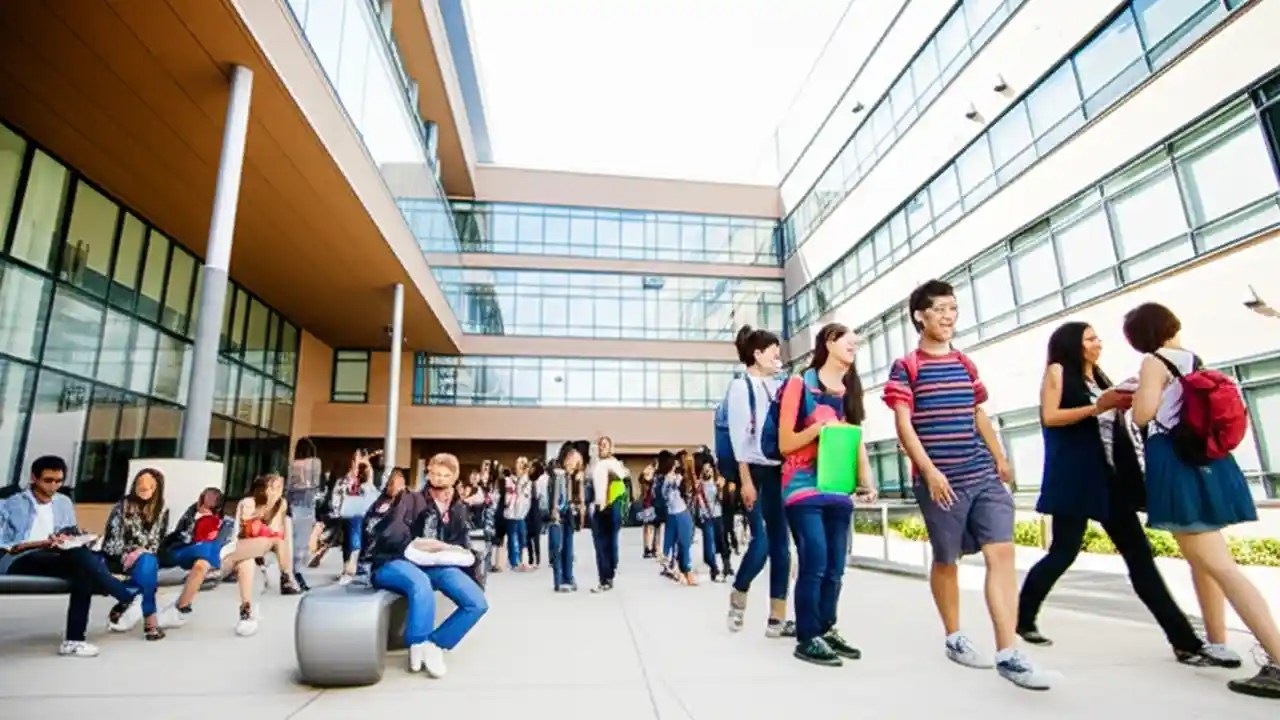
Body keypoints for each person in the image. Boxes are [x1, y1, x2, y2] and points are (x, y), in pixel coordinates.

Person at [1017, 322, 1222, 666]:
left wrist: (1121, 403)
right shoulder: (1057, 371)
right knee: (1063, 553)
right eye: (1090, 338)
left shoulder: (1100, 378)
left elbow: (1111, 426)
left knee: (1141, 560)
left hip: (1111, 482)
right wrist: (1100, 406)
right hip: (1076, 480)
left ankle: (1185, 642)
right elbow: (1051, 417)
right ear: (1073, 344)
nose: (1098, 343)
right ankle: (1023, 618)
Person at [882, 279, 1051, 690]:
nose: (948, 316)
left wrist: (999, 457)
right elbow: (904, 425)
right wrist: (929, 470)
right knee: (946, 559)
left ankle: (1008, 651)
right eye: (940, 309)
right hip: (940, 480)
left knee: (1002, 554)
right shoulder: (907, 366)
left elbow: (977, 412)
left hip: (982, 473)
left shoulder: (964, 363)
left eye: (953, 309)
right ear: (920, 315)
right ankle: (954, 636)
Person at [1124, 302, 1280, 699]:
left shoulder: (1154, 361)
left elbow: (1142, 416)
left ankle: (1278, 660)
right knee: (1202, 559)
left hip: (1176, 465)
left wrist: (1138, 391)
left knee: (1219, 565)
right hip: (1205, 463)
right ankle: (1217, 642)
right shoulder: (1194, 359)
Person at [775, 323, 878, 666]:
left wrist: (867, 481)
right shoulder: (798, 384)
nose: (854, 345)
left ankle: (826, 628)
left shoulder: (848, 391)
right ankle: (807, 636)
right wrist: (821, 427)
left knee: (835, 567)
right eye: (849, 340)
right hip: (801, 487)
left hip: (837, 489)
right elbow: (785, 442)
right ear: (829, 342)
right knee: (815, 561)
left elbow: (855, 439)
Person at [0, 456, 139, 657]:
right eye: (48, 480)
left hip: (57, 555)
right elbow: (5, 544)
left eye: (58, 481)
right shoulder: (11, 504)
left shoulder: (63, 502)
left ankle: (74, 641)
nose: (54, 486)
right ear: (34, 478)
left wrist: (79, 537)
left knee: (81, 568)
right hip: (21, 558)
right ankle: (127, 597)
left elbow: (69, 533)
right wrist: (42, 543)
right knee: (81, 562)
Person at [361, 459, 488, 679]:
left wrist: (455, 556)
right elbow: (391, 534)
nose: (439, 479)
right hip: (395, 559)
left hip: (436, 563)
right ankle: (417, 643)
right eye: (435, 474)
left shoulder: (458, 508)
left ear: (455, 478)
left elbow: (462, 544)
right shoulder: (410, 499)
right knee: (420, 582)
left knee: (476, 602)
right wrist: (418, 546)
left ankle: (436, 643)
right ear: (428, 475)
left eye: (445, 475)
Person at [725, 324, 794, 638]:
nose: (777, 355)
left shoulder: (781, 384)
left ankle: (776, 617)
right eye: (772, 350)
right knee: (763, 541)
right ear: (757, 353)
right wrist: (745, 482)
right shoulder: (741, 387)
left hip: (782, 468)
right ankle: (739, 595)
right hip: (755, 470)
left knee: (782, 545)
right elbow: (739, 437)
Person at [222, 473, 298, 636]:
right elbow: (246, 533)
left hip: (255, 549)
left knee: (247, 563)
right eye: (273, 487)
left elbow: (277, 529)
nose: (277, 491)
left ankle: (246, 611)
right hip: (235, 547)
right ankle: (286, 578)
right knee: (276, 541)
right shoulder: (249, 502)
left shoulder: (281, 504)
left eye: (280, 488)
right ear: (263, 488)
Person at [101, 468, 171, 641]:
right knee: (148, 565)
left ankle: (131, 597)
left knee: (148, 562)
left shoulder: (162, 509)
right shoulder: (123, 506)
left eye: (150, 485)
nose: (144, 488)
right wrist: (136, 549)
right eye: (140, 484)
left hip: (146, 558)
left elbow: (156, 540)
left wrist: (142, 550)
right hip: (119, 557)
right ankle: (150, 621)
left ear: (157, 488)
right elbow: (113, 541)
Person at [159, 487, 227, 626]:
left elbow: (218, 539)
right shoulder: (191, 513)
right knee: (205, 552)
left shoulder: (221, 521)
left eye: (212, 498)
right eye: (205, 497)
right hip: (182, 549)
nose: (207, 501)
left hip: (203, 553)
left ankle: (182, 607)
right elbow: (181, 536)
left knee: (203, 560)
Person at [590, 436, 628, 592]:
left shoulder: (614, 463)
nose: (601, 448)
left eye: (604, 445)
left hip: (612, 506)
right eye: (600, 445)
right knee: (600, 544)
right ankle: (603, 578)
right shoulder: (596, 465)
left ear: (611, 448)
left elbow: (622, 476)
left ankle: (610, 571)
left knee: (610, 542)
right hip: (599, 506)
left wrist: (612, 471)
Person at [336, 450, 378, 585]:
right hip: (346, 512)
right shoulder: (346, 476)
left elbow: (370, 489)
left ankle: (353, 564)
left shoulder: (367, 473)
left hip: (361, 513)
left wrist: (366, 467)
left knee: (356, 524)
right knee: (351, 528)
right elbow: (340, 492)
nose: (358, 462)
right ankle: (349, 565)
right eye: (356, 459)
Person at [287, 437, 322, 591]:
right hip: (308, 503)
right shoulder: (315, 463)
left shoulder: (292, 465)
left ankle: (291, 573)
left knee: (293, 542)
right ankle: (296, 573)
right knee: (302, 543)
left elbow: (289, 487)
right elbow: (316, 483)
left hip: (294, 503)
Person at [548, 447, 584, 592]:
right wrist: (554, 511)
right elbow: (556, 496)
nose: (574, 464)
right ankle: (559, 580)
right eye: (572, 460)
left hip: (570, 514)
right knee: (558, 548)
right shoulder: (558, 474)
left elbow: (579, 499)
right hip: (559, 513)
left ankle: (568, 577)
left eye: (577, 462)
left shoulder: (574, 477)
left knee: (569, 548)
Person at [504, 458, 533, 571]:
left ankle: (522, 560)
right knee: (512, 537)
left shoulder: (526, 480)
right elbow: (509, 495)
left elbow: (526, 496)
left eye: (520, 464)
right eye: (517, 464)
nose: (517, 466)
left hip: (521, 513)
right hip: (512, 512)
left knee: (522, 536)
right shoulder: (511, 479)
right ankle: (514, 561)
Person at [526, 459, 548, 569]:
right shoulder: (527, 480)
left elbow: (542, 495)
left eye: (532, 467)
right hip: (527, 507)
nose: (530, 469)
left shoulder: (542, 480)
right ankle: (530, 558)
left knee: (536, 535)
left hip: (537, 507)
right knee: (528, 535)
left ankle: (537, 558)